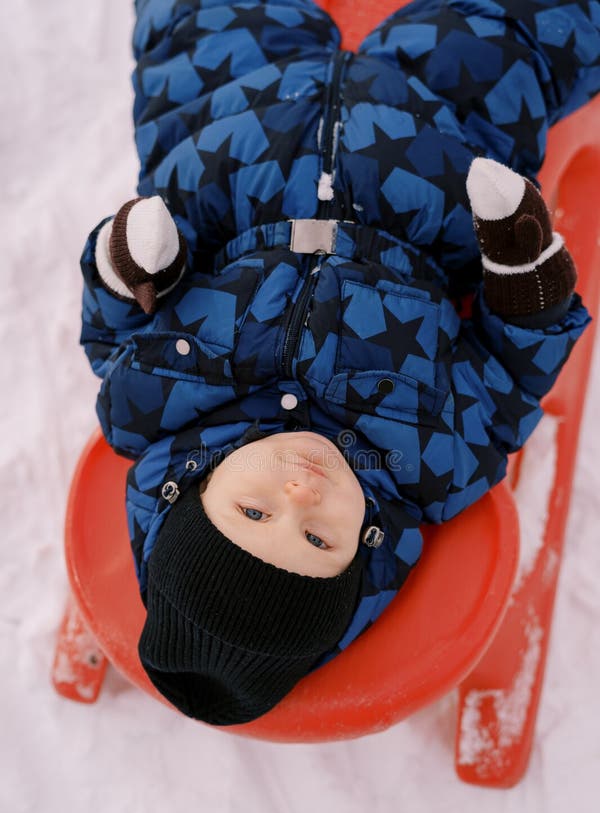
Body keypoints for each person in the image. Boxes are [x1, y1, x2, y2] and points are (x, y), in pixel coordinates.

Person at [79, 0, 600, 724]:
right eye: (320, 539)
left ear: (192, 490)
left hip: (230, 126)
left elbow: (112, 326)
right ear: (366, 546)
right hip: (431, 155)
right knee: (514, 35)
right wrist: (526, 285)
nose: (298, 499)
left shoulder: (154, 396)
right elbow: (512, 373)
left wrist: (123, 264)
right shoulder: (434, 453)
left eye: (253, 510)